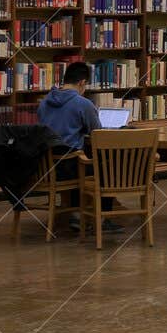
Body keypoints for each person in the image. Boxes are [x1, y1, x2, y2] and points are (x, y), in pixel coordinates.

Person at [37, 61, 118, 231]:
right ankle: (104, 219)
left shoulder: (44, 102)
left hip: (46, 166)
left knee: (77, 155)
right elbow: (98, 134)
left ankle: (75, 214)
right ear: (82, 82)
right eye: (86, 85)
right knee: (108, 167)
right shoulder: (82, 103)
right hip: (70, 166)